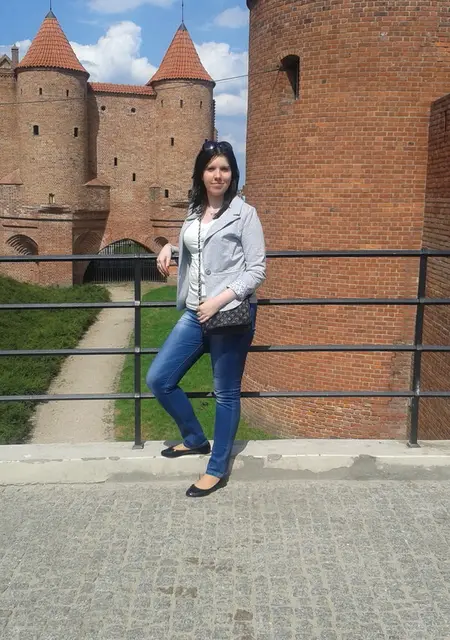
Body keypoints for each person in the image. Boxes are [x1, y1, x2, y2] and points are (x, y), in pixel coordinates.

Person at [146, 140, 266, 498]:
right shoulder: (195, 210)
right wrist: (170, 246)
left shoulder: (245, 214)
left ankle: (216, 469)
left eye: (224, 169)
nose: (218, 175)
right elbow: (198, 247)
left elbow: (257, 270)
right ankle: (195, 438)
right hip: (195, 311)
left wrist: (219, 300)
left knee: (226, 392)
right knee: (159, 379)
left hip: (229, 314)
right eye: (211, 168)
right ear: (201, 173)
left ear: (233, 174)